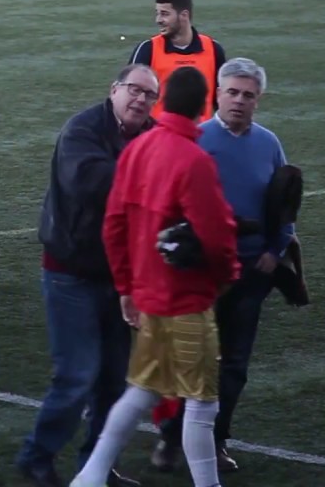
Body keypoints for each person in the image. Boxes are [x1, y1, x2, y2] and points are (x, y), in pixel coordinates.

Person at [71, 67, 239, 487]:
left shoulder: (137, 149)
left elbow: (113, 225)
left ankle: (89, 477)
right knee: (202, 403)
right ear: (204, 106)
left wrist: (127, 286)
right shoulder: (195, 161)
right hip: (186, 301)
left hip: (149, 299)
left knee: (142, 390)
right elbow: (217, 239)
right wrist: (227, 276)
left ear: (163, 102)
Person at [14, 65, 159, 487]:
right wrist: (155, 179)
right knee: (76, 375)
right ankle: (36, 456)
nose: (140, 100)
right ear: (114, 90)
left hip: (119, 277)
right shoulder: (82, 129)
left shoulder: (151, 135)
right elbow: (91, 182)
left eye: (150, 95)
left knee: (113, 379)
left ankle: (97, 465)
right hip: (70, 272)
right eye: (134, 90)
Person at [152, 58, 297, 475]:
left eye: (247, 95)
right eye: (232, 92)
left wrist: (277, 248)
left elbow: (286, 201)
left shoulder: (269, 143)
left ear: (259, 100)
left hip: (251, 271)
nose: (238, 101)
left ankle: (216, 441)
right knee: (187, 360)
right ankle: (170, 436)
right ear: (217, 92)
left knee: (234, 364)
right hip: (200, 272)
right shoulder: (195, 139)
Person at [129, 0, 225, 122]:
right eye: (157, 14)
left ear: (184, 15)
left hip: (200, 137)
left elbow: (222, 100)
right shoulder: (147, 49)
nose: (158, 20)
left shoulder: (213, 49)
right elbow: (130, 98)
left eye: (164, 14)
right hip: (160, 136)